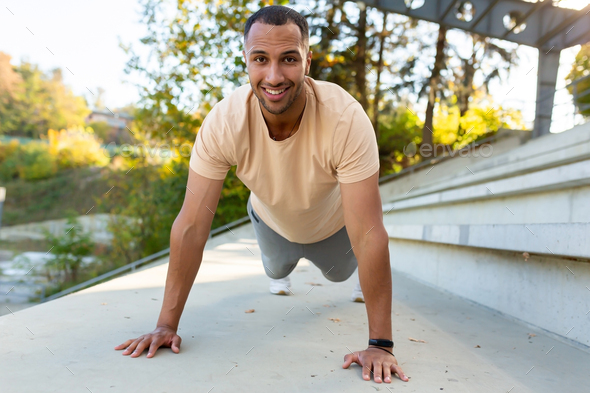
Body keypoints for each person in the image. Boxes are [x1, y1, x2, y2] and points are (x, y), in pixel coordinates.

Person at [114, 5, 409, 384]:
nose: (273, 75)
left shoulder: (345, 118)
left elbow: (368, 232)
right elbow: (190, 225)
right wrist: (165, 324)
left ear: (307, 60)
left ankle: (349, 278)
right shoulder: (223, 122)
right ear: (246, 60)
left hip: (334, 228)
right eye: (260, 59)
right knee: (276, 269)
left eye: (288, 59)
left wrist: (381, 344)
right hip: (271, 221)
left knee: (339, 275)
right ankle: (281, 272)